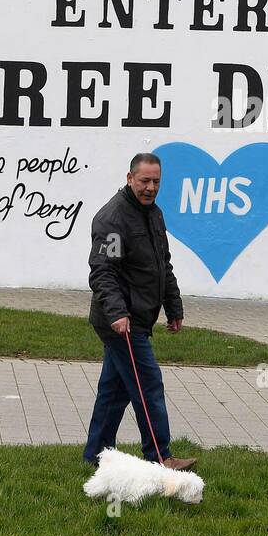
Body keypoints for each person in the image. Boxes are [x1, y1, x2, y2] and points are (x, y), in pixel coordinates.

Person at [83, 152, 198, 471]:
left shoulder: (153, 214)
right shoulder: (114, 219)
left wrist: (174, 307)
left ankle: (97, 454)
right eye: (144, 180)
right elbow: (103, 271)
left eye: (156, 181)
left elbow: (164, 264)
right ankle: (161, 456)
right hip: (121, 322)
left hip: (139, 318)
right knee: (148, 385)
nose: (150, 187)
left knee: (114, 390)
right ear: (129, 178)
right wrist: (118, 313)